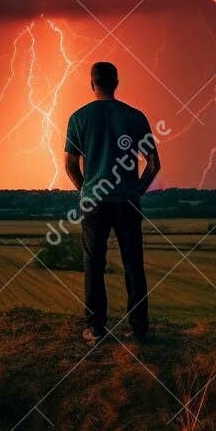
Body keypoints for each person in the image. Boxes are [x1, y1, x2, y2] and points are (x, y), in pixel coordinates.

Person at [63, 61, 160, 345]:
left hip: (95, 202)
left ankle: (95, 328)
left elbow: (70, 165)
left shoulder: (78, 118)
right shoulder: (135, 116)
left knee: (93, 264)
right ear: (117, 83)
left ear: (92, 84)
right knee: (133, 264)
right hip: (127, 201)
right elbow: (153, 163)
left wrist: (86, 191)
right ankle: (139, 329)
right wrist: (137, 189)